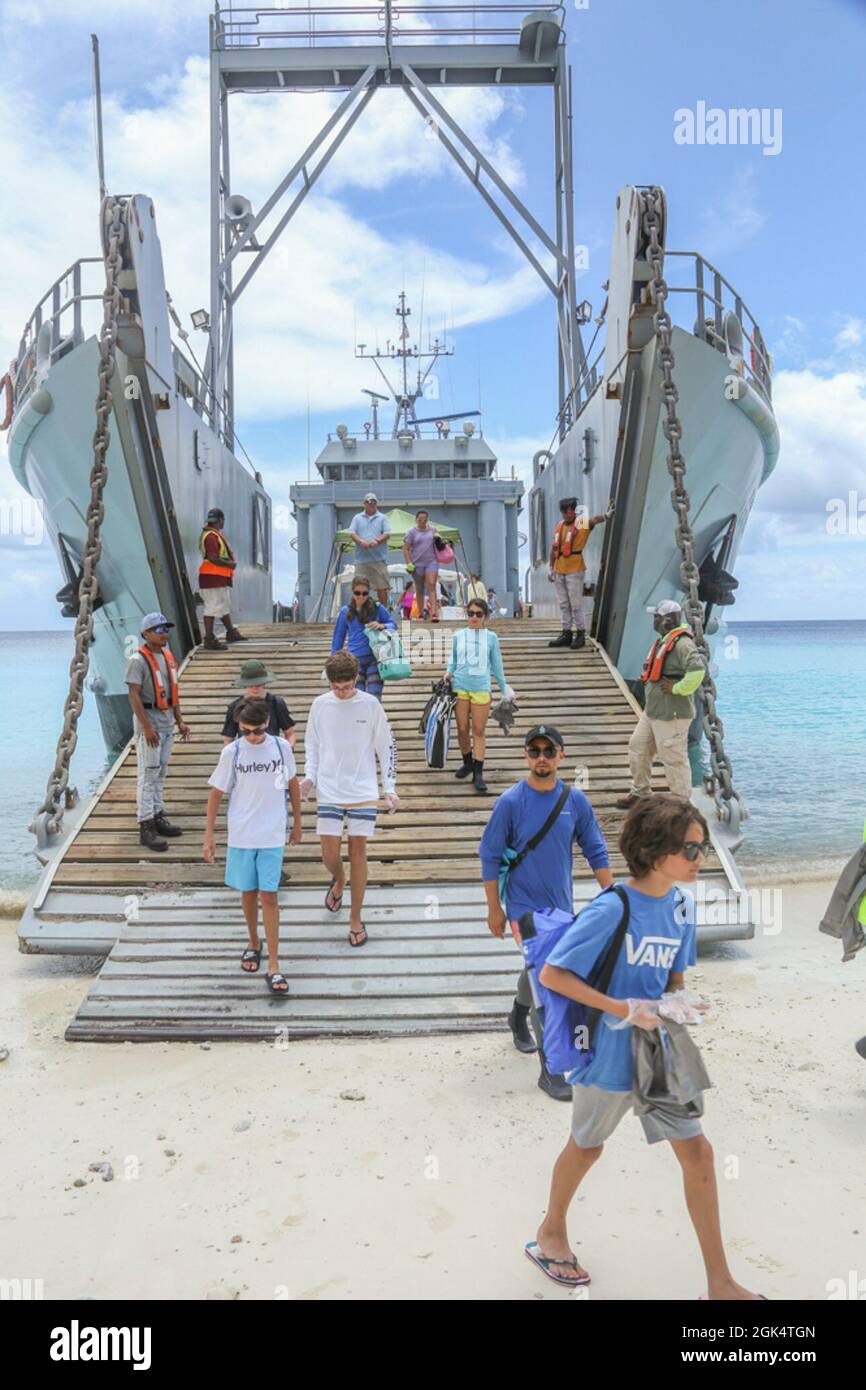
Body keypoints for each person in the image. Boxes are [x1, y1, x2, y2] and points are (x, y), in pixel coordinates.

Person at [526, 795, 762, 1301]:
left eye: (703, 848)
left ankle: (720, 1286)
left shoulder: (681, 905)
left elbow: (673, 977)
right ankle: (550, 1232)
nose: (701, 858)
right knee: (587, 1148)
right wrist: (623, 1008)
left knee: (698, 1153)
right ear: (657, 852)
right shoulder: (614, 908)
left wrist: (679, 1002)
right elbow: (553, 975)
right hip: (606, 1053)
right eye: (691, 849)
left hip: (659, 1051)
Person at [479, 724, 612, 1099]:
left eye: (548, 751)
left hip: (561, 908)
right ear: (526, 756)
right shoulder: (510, 802)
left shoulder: (575, 801)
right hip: (524, 911)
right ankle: (551, 1070)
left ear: (561, 756)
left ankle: (517, 1015)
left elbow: (595, 849)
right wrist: (495, 908)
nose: (541, 758)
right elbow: (489, 856)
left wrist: (614, 895)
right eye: (534, 751)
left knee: (538, 972)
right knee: (547, 985)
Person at [301, 651, 399, 948]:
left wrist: (389, 787)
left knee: (358, 849)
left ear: (355, 679)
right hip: (329, 788)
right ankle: (339, 879)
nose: (340, 692)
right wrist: (309, 778)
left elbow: (386, 746)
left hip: (363, 789)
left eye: (346, 686)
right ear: (329, 681)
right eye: (335, 687)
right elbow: (312, 746)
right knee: (329, 855)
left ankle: (355, 918)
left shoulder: (371, 705)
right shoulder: (320, 705)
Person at [204, 699, 302, 996]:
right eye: (245, 731)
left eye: (258, 730)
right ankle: (253, 942)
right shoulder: (231, 752)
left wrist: (298, 822)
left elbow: (293, 784)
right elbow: (216, 794)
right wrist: (209, 835)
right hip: (242, 833)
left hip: (272, 833)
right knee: (247, 892)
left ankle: (273, 965)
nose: (253, 736)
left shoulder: (281, 747)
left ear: (268, 723)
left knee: (269, 895)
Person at [617, 600, 707, 809]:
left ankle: (681, 804)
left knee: (674, 758)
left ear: (667, 619)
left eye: (656, 617)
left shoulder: (683, 644)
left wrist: (677, 688)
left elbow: (698, 671)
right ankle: (640, 792)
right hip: (654, 712)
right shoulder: (665, 641)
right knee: (638, 747)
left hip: (672, 714)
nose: (654, 621)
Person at [125, 612, 191, 851]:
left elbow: (173, 692)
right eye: (159, 629)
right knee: (148, 774)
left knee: (161, 772)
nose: (165, 633)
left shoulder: (166, 656)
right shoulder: (137, 660)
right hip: (150, 724)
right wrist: (146, 727)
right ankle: (146, 825)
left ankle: (157, 815)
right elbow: (133, 694)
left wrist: (180, 721)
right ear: (146, 634)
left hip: (166, 723)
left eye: (166, 628)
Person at [444, 598, 513, 794]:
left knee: (479, 730)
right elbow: (454, 659)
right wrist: (448, 672)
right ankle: (467, 763)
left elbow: (497, 665)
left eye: (478, 614)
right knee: (463, 729)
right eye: (471, 613)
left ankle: (479, 772)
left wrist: (503, 687)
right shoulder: (458, 635)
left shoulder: (491, 638)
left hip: (481, 688)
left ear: (485, 617)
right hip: (460, 686)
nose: (474, 617)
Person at [547, 497, 608, 650]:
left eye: (569, 511)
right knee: (563, 604)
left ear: (574, 511)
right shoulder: (560, 526)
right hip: (559, 568)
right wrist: (551, 567)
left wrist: (607, 515)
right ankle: (566, 633)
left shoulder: (580, 523)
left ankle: (580, 633)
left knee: (575, 604)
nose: (567, 514)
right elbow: (554, 549)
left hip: (574, 568)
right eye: (564, 511)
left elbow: (594, 520)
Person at [330, 577, 396, 702]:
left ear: (369, 592)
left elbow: (393, 624)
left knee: (374, 698)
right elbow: (338, 639)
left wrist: (383, 625)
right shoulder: (345, 612)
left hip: (375, 659)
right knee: (356, 700)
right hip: (354, 663)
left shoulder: (377, 608)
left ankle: (374, 721)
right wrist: (332, 664)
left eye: (365, 593)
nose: (361, 596)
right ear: (352, 592)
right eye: (357, 593)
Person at [198, 506, 247, 651]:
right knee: (212, 608)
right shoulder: (211, 537)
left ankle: (231, 632)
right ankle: (209, 639)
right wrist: (229, 565)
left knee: (223, 605)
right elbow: (213, 557)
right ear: (220, 520)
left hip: (217, 578)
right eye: (222, 520)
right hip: (212, 578)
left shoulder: (212, 534)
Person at [222, 658, 296, 748]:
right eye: (250, 685)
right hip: (245, 755)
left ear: (264, 683)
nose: (254, 689)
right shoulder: (235, 707)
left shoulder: (277, 703)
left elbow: (289, 734)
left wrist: (287, 751)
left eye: (258, 685)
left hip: (272, 755)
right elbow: (228, 739)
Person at [349, 493, 391, 606]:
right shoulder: (357, 518)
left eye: (374, 502)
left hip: (379, 559)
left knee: (382, 588)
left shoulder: (383, 517)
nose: (371, 504)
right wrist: (361, 541)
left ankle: (383, 613)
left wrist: (376, 541)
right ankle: (358, 613)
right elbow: (352, 533)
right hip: (361, 560)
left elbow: (387, 534)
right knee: (358, 589)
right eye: (369, 502)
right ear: (364, 504)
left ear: (376, 504)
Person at [403, 509, 440, 622]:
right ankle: (420, 614)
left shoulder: (433, 530)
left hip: (431, 562)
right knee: (419, 589)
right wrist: (409, 562)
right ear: (416, 519)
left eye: (425, 519)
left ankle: (433, 613)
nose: (423, 521)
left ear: (427, 519)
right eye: (420, 519)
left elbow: (439, 544)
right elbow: (406, 549)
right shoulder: (411, 532)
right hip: (417, 564)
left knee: (432, 584)